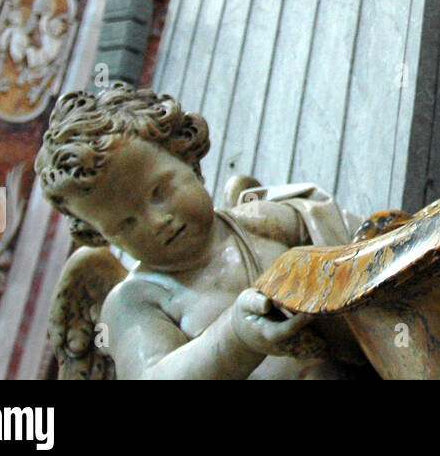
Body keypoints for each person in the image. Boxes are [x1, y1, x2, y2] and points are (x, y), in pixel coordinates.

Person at [35, 84, 356, 379]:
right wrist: (234, 339)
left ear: (186, 156)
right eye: (125, 224)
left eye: (159, 191)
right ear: (101, 237)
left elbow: (359, 243)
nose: (155, 221)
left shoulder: (258, 221)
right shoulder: (134, 302)